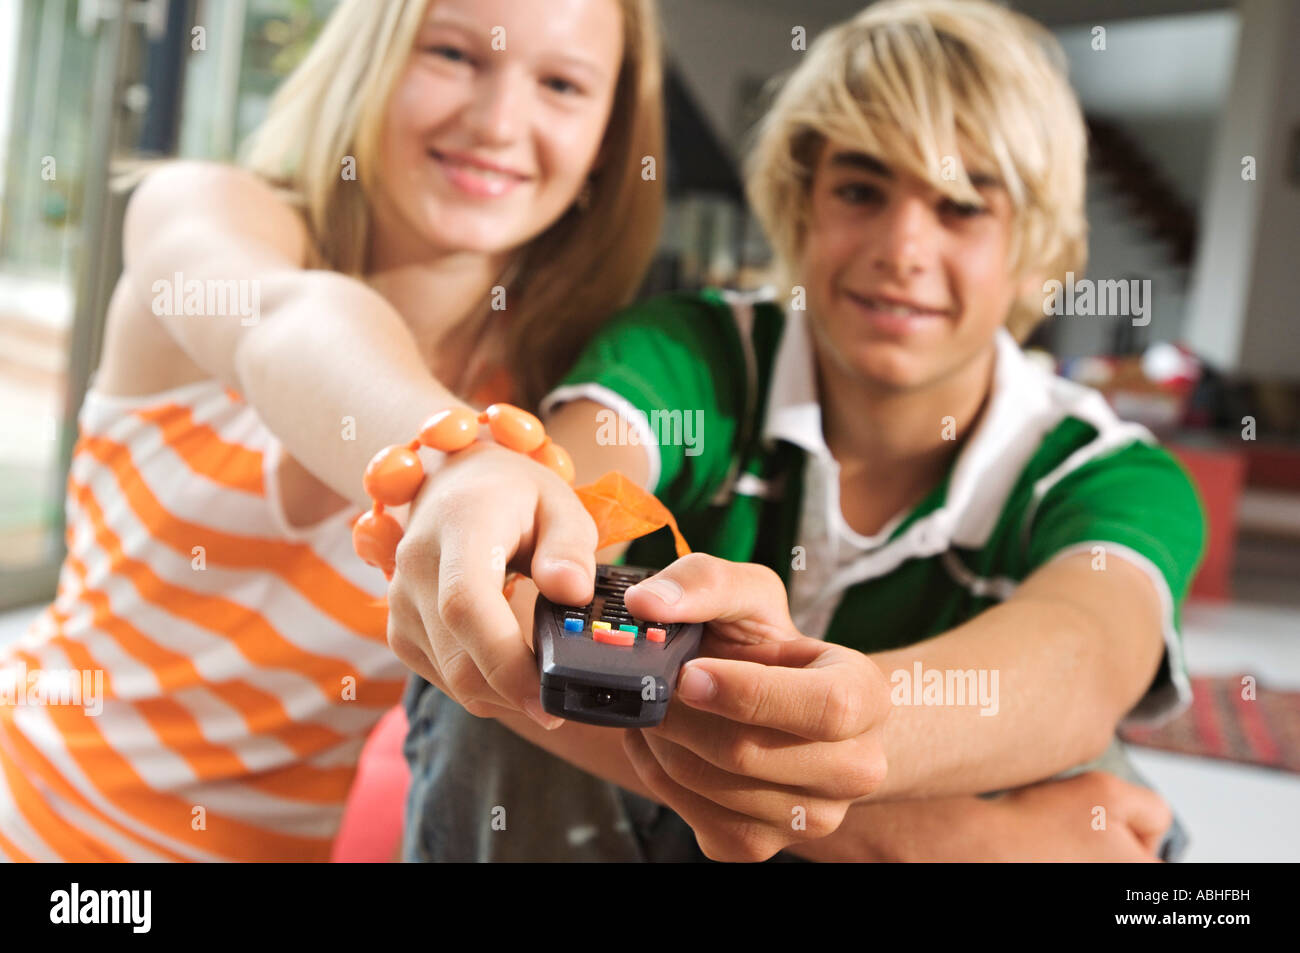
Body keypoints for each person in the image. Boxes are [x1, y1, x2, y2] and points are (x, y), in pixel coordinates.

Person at [396, 0, 1203, 862]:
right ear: (801, 203)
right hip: (676, 820)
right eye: (861, 189)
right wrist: (964, 840)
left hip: (680, 774)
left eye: (962, 205)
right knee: (498, 694)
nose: (903, 247)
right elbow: (531, 566)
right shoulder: (693, 354)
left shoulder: (1107, 475)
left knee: (1119, 816)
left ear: (1031, 244)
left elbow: (1078, 668)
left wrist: (818, 737)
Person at [0, 0, 665, 862]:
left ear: (608, 144)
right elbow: (288, 320)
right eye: (455, 55)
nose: (497, 121)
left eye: (562, 84)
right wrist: (451, 461)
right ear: (370, 59)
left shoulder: (556, 409)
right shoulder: (209, 210)